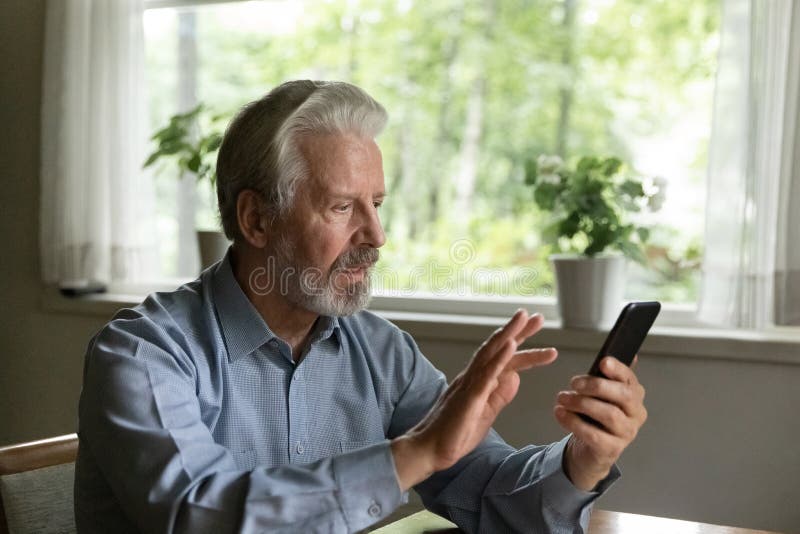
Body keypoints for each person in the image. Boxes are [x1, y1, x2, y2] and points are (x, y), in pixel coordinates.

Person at [74, 80, 647, 533]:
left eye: (376, 203)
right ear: (256, 219)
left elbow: (491, 495)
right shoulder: (145, 353)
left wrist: (583, 459)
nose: (376, 235)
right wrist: (414, 453)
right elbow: (196, 514)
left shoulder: (380, 352)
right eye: (343, 207)